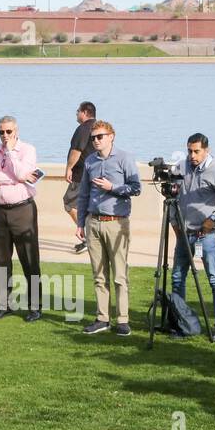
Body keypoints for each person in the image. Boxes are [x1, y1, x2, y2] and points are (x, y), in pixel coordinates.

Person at [76, 121, 141, 336]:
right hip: (93, 222)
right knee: (99, 274)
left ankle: (123, 320)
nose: (96, 140)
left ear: (111, 136)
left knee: (119, 275)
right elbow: (83, 193)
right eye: (93, 138)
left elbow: (136, 188)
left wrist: (111, 187)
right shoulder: (90, 161)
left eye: (100, 136)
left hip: (116, 222)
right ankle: (102, 318)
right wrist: (80, 223)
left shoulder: (125, 158)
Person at [171, 134, 215, 342]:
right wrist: (174, 224)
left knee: (214, 279)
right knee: (177, 278)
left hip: (205, 236)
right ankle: (180, 322)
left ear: (206, 150)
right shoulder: (182, 167)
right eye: (189, 151)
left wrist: (213, 218)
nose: (192, 155)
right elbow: (173, 197)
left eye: (196, 151)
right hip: (183, 234)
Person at [0, 116, 42, 321]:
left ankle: (34, 307)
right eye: (1, 132)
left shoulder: (28, 150)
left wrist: (10, 153)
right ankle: (4, 305)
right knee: (1, 260)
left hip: (22, 211)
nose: (4, 135)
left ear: (16, 131)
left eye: (8, 131)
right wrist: (17, 179)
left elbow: (21, 172)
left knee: (29, 259)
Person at [63, 101, 97, 254]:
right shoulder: (98, 126)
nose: (76, 114)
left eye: (78, 111)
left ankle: (88, 239)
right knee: (89, 207)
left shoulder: (83, 128)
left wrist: (69, 168)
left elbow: (76, 151)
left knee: (69, 204)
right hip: (95, 173)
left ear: (84, 112)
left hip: (81, 175)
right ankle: (91, 239)